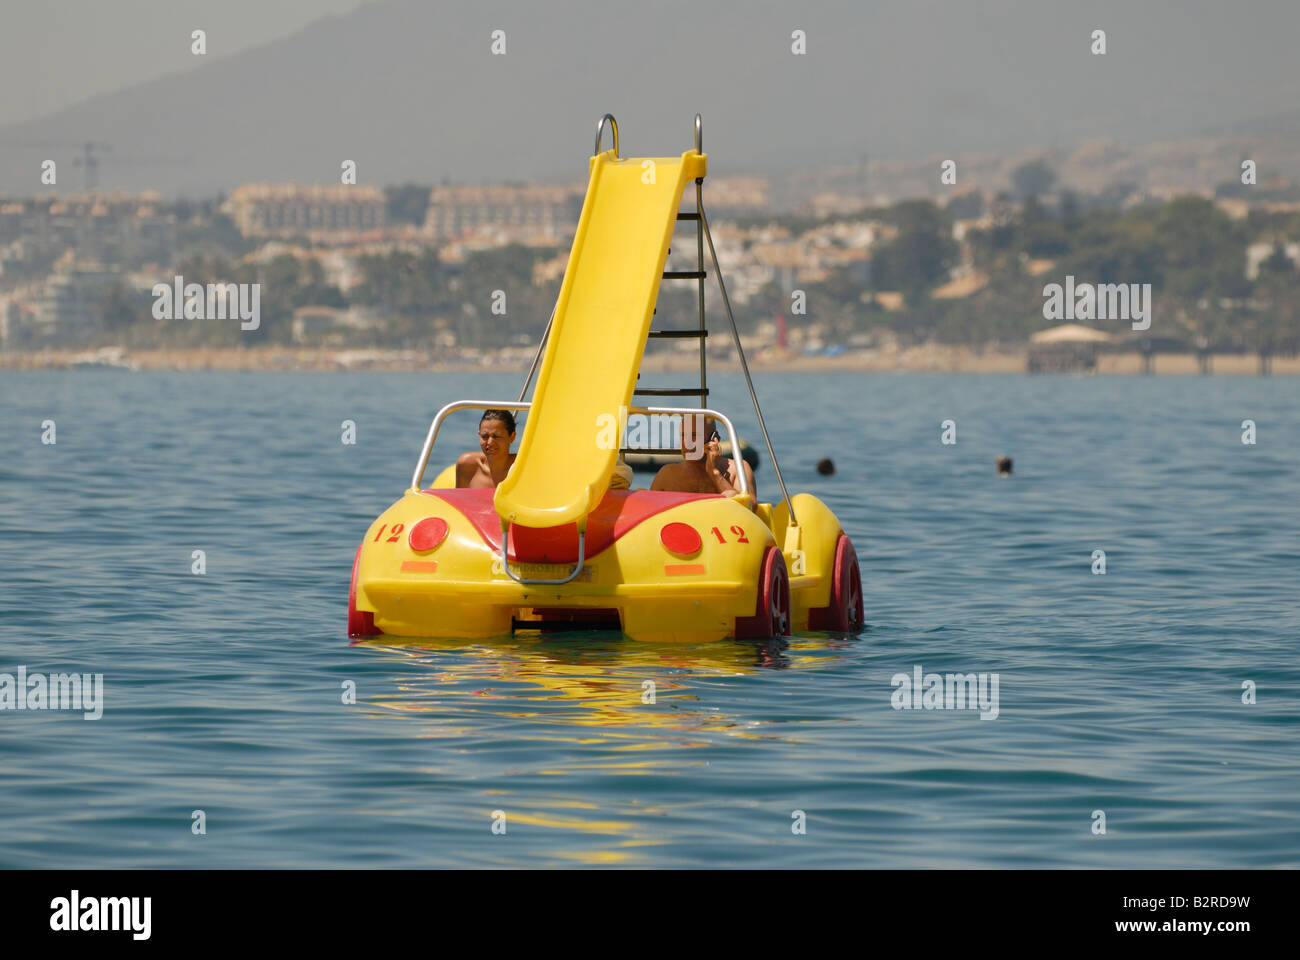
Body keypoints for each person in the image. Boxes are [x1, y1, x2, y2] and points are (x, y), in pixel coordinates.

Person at [651, 414, 756, 505]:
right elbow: (649, 508)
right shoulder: (668, 474)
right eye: (683, 435)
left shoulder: (738, 469)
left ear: (713, 438)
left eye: (694, 435)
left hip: (721, 522)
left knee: (732, 495)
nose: (687, 442)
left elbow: (750, 507)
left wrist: (715, 473)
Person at [456, 410, 518, 488]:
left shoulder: (523, 466)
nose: (490, 442)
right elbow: (459, 495)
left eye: (496, 436)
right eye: (485, 436)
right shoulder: (467, 465)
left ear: (512, 437)